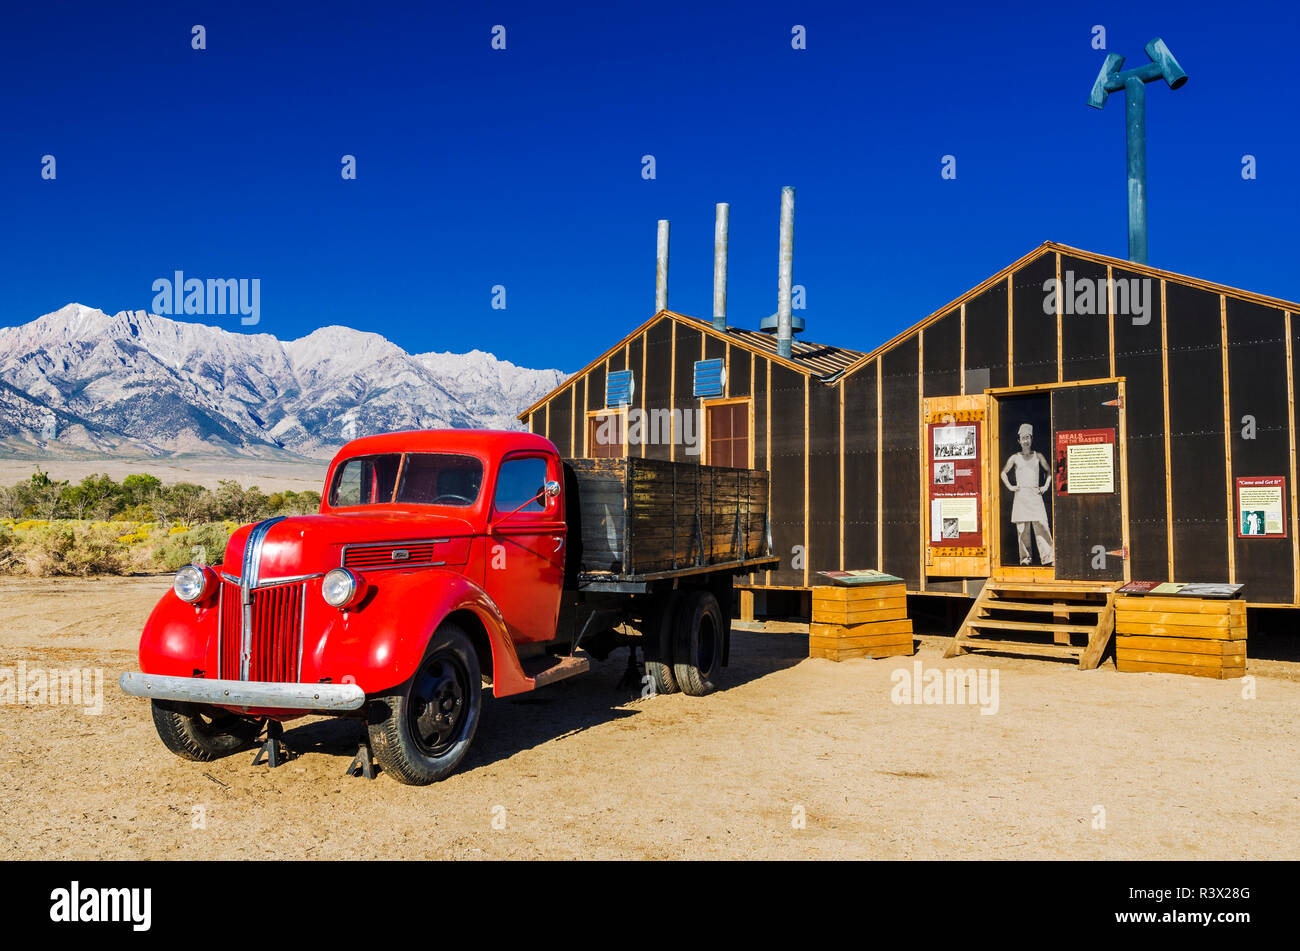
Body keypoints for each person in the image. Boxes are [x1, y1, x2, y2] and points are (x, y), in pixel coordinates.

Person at [1001, 423, 1054, 566]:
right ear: (1019, 441)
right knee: (1022, 529)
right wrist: (1011, 487)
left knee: (1042, 525)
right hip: (1021, 496)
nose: (1026, 440)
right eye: (1023, 438)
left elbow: (1049, 471)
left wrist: (1046, 486)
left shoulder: (1038, 456)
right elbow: (1003, 473)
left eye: (1028, 437)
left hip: (1035, 494)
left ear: (1031, 439)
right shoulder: (1015, 458)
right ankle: (1025, 559)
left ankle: (1048, 558)